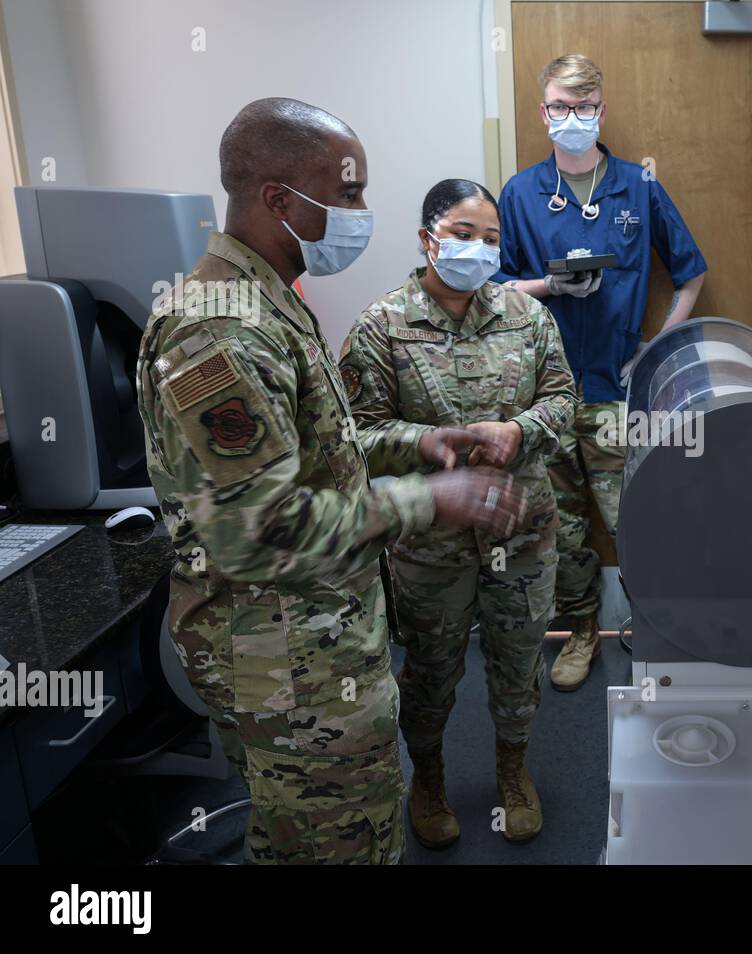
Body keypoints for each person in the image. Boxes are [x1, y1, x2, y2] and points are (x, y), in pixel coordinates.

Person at [136, 98, 525, 864]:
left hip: (320, 641)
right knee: (335, 845)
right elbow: (260, 528)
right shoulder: (222, 331)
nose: (362, 213)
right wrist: (431, 500)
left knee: (334, 834)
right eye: (347, 194)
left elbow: (319, 452)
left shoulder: (270, 301)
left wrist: (419, 446)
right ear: (278, 199)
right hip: (282, 666)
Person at [339, 179, 576, 845]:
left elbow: (564, 403)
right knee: (430, 674)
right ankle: (431, 779)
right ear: (428, 239)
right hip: (429, 546)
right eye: (464, 234)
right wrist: (418, 441)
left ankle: (512, 770)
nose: (478, 249)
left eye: (492, 239)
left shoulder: (528, 319)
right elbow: (352, 437)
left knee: (518, 662)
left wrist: (521, 431)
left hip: (520, 531)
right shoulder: (381, 326)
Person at [495, 53, 708, 690]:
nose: (571, 119)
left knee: (637, 521)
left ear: (601, 112)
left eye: (583, 108)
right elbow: (496, 289)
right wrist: (550, 287)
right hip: (548, 393)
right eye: (560, 108)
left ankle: (657, 625)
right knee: (560, 527)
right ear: (543, 112)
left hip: (619, 390)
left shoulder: (638, 186)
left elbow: (692, 274)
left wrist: (657, 348)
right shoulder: (520, 192)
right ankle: (581, 632)